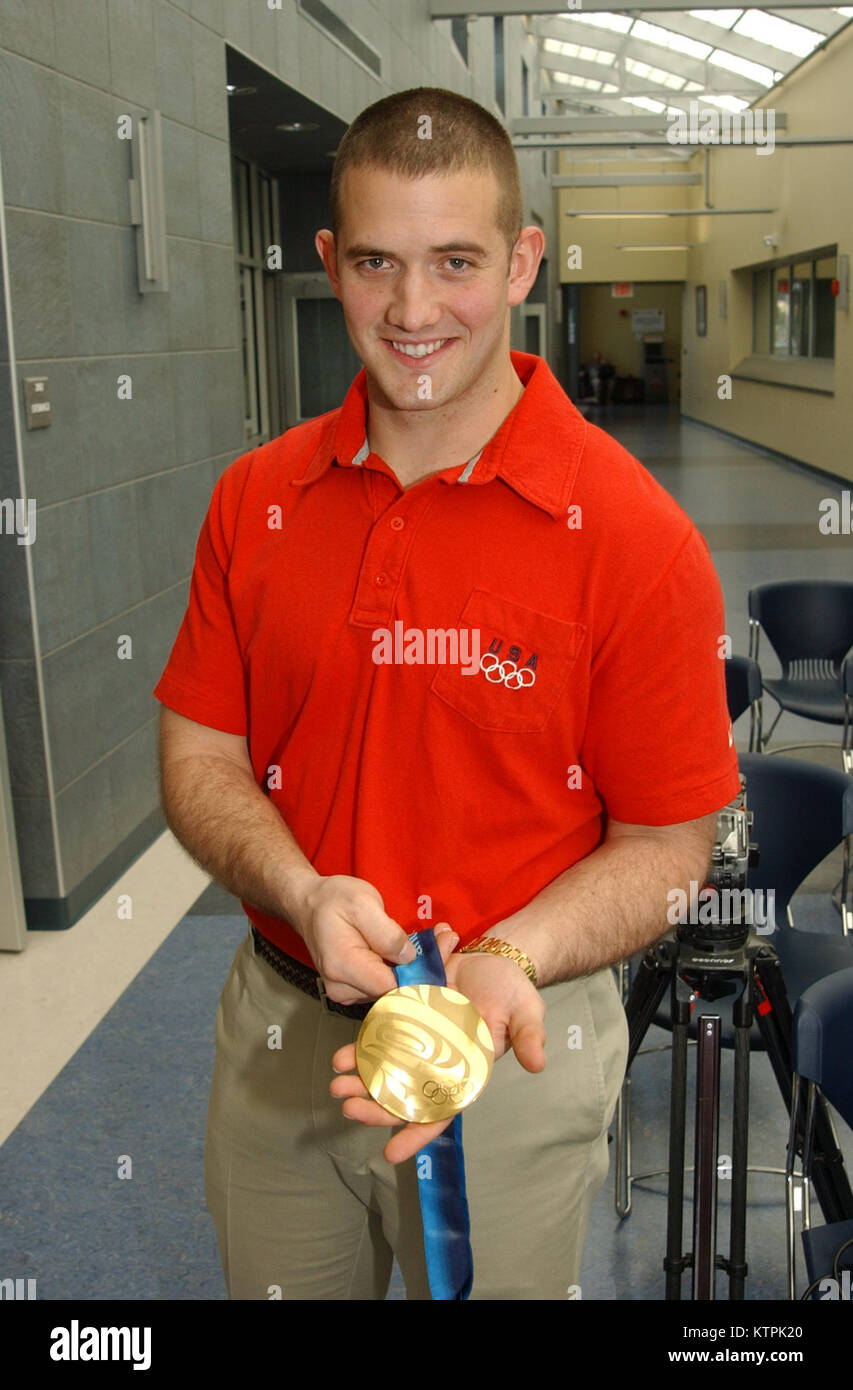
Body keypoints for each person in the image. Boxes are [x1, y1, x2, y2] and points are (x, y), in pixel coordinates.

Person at [153, 86, 741, 1301]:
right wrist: (304, 890)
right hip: (278, 1032)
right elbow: (201, 754)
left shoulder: (634, 537)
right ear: (329, 260)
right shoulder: (253, 503)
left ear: (523, 261)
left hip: (513, 1038)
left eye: (455, 262)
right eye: (375, 262)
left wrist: (511, 955)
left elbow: (674, 842)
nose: (413, 313)